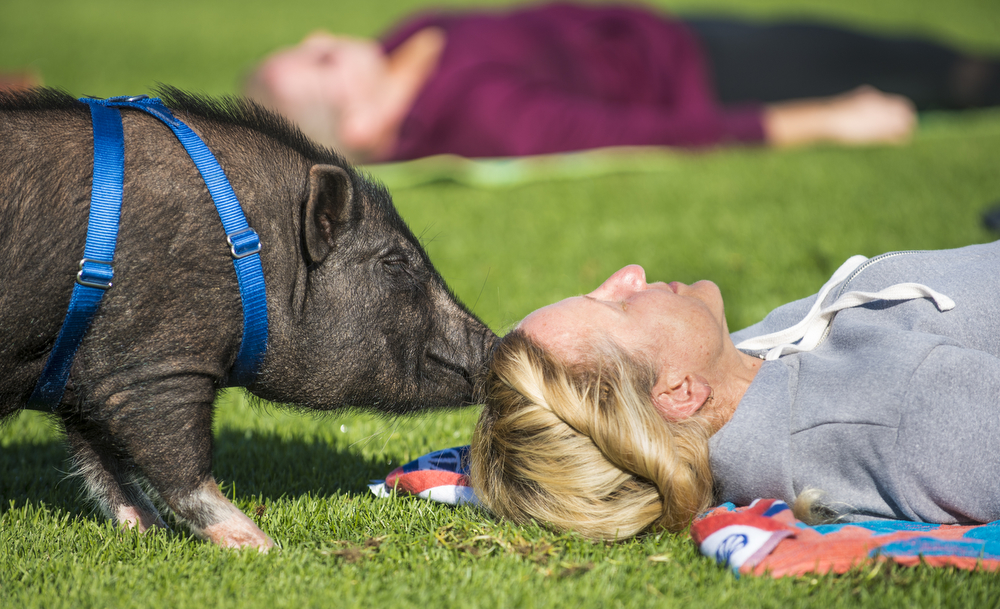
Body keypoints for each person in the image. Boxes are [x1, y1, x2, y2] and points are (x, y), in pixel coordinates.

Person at [469, 241, 1000, 540]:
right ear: (678, 393)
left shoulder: (741, 376)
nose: (629, 273)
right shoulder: (890, 414)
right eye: (619, 305)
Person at [244, 2, 1000, 163]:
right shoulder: (480, 117)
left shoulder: (401, 39)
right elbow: (647, 134)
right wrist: (831, 119)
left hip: (677, 31)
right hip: (709, 76)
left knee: (916, 48)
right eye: (319, 63)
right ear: (356, 121)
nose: (321, 39)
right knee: (942, 72)